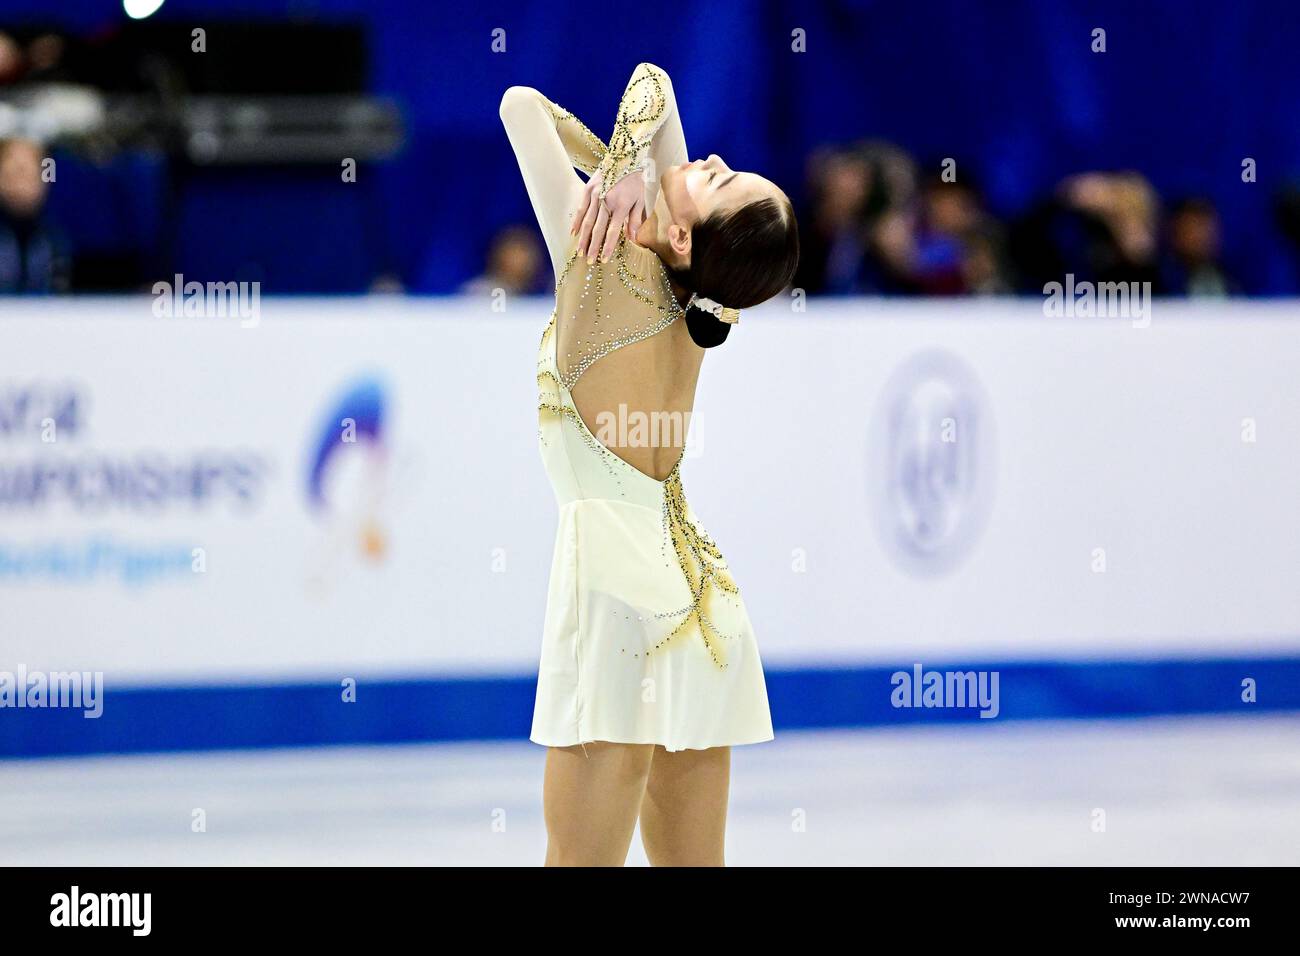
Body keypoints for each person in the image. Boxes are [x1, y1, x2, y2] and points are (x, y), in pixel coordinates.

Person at [499, 62, 798, 866]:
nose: (710, 159)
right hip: (697, 603)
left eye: (721, 178)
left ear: (682, 235)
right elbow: (657, 91)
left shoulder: (594, 256)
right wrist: (627, 170)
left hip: (615, 606)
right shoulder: (705, 298)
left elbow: (522, 104)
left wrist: (619, 171)